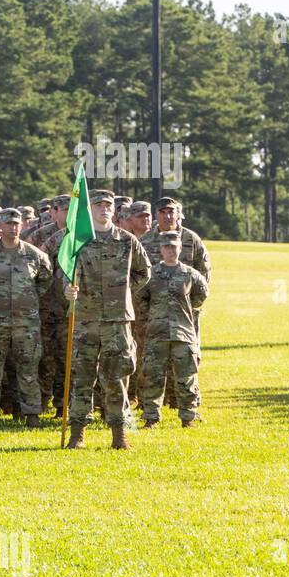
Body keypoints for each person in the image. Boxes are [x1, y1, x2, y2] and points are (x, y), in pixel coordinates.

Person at [62, 189, 151, 449]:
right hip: (85, 319)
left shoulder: (126, 241)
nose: (104, 209)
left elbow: (143, 273)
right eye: (98, 205)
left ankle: (119, 435)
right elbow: (64, 275)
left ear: (114, 210)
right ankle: (77, 434)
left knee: (116, 378)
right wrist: (67, 290)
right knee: (81, 377)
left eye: (108, 205)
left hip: (117, 321)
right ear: (90, 209)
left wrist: (122, 291)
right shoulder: (79, 241)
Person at [0, 208, 52, 427]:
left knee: (28, 369)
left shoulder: (34, 255)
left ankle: (32, 414)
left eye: (16, 224)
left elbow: (45, 281)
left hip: (26, 324)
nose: (13, 227)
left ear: (21, 226)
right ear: (0, 227)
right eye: (8, 224)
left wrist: (29, 300)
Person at [136, 230, 209, 428]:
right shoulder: (151, 274)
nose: (171, 250)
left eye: (174, 247)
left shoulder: (190, 274)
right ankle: (151, 416)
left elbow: (200, 296)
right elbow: (140, 298)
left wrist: (184, 311)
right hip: (156, 333)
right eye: (167, 247)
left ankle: (188, 416)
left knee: (186, 377)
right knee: (153, 376)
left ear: (180, 248)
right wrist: (153, 315)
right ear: (161, 249)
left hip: (183, 333)